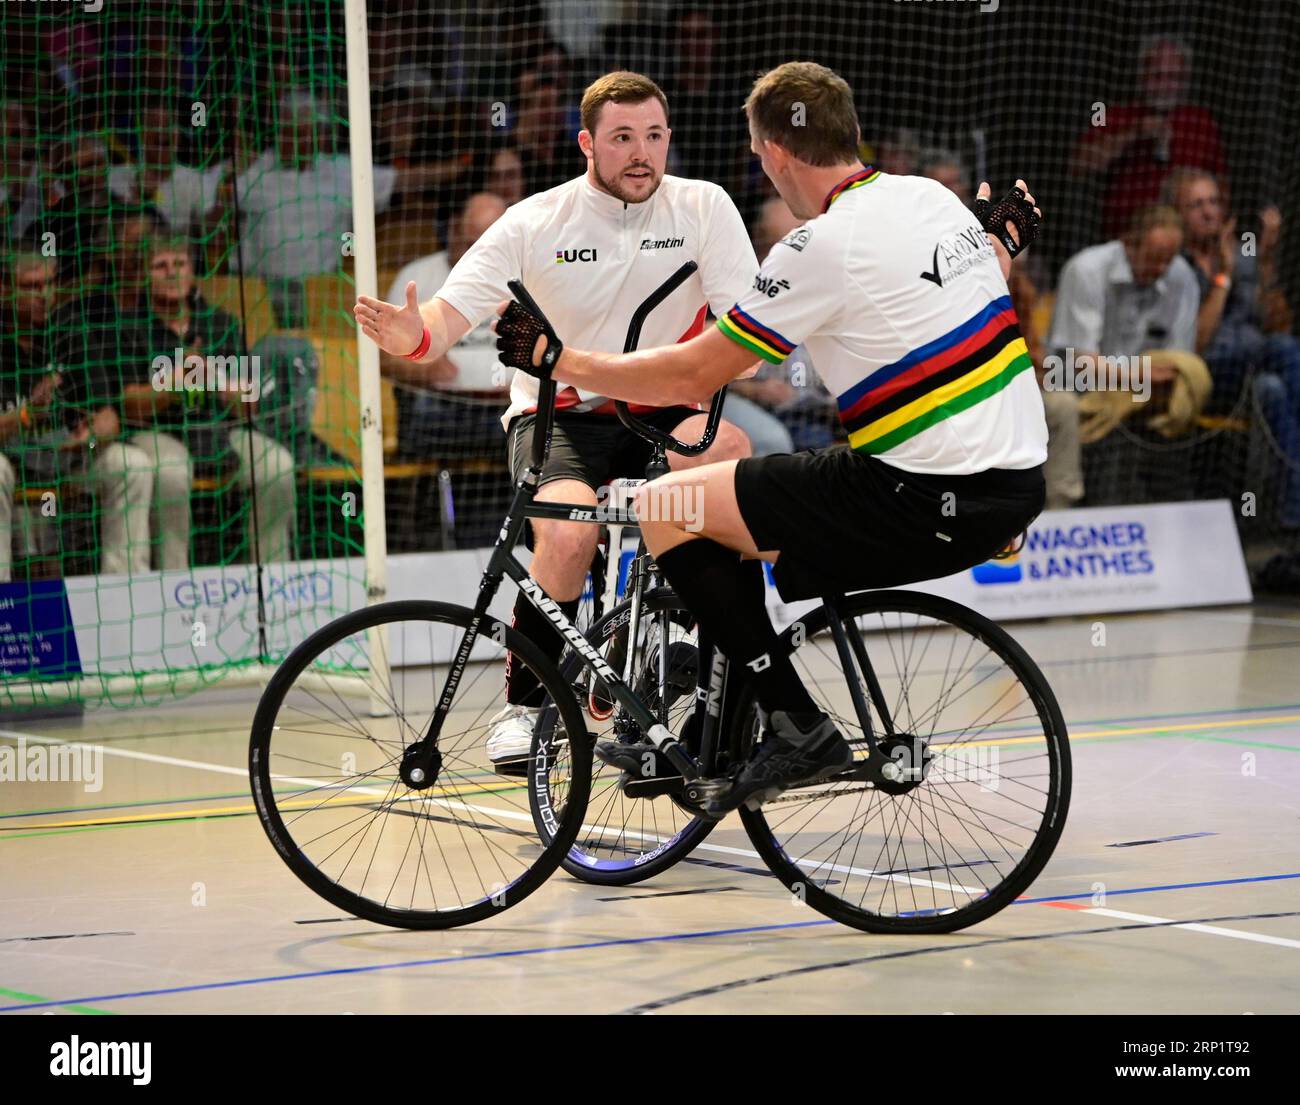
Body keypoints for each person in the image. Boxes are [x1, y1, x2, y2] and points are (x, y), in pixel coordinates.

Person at [491, 61, 1048, 816]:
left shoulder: (816, 245)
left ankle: (795, 722)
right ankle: (722, 716)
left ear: (778, 154)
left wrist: (560, 361)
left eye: (760, 157)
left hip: (908, 495)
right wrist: (997, 248)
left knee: (667, 509)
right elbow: (952, 282)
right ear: (849, 132)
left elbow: (694, 370)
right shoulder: (934, 203)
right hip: (1016, 491)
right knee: (728, 500)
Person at [355, 70, 756, 772]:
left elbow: (748, 349)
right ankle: (525, 705)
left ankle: (683, 653)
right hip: (558, 414)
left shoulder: (705, 208)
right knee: (569, 532)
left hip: (663, 407)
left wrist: (727, 359)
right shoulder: (536, 222)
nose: (642, 153)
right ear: (586, 145)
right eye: (623, 138)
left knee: (730, 452)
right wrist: (408, 337)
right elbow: (443, 322)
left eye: (655, 136)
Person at [124, 234, 297, 564]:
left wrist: (213, 378)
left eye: (180, 264)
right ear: (142, 275)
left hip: (218, 429)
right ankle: (173, 582)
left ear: (192, 272)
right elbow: (129, 406)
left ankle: (274, 575)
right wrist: (178, 382)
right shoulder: (130, 326)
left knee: (278, 467)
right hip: (159, 433)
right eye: (160, 266)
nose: (172, 273)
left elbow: (250, 404)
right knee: (171, 474)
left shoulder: (222, 324)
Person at [1165, 168, 1300, 525]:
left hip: (1257, 371)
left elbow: (1279, 324)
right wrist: (1223, 278)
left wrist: (1267, 261)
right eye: (1197, 205)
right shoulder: (1175, 266)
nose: (1210, 212)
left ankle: (1292, 519)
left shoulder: (1245, 254)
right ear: (1178, 215)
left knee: (1272, 389)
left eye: (1214, 201)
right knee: (1284, 350)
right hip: (1208, 376)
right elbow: (1195, 346)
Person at [1048, 205, 1210, 445]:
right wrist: (1139, 377)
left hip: (1147, 395)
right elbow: (1081, 363)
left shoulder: (1181, 277)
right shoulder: (1087, 270)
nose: (1161, 270)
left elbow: (1179, 356)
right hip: (1076, 387)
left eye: (1168, 260)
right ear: (1129, 244)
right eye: (1153, 259)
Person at [381, 192, 511, 460]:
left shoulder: (526, 276)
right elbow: (386, 358)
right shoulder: (416, 277)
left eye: (488, 247)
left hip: (508, 405)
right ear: (452, 229)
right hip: (441, 407)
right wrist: (421, 367)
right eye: (470, 244)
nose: (478, 257)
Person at [1069, 35, 1225, 240]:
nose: (1165, 86)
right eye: (1158, 76)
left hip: (1186, 244)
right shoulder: (1113, 115)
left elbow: (1222, 186)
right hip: (1125, 240)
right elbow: (1078, 165)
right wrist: (1134, 132)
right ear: (1142, 76)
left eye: (1174, 78)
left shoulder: (1200, 122)